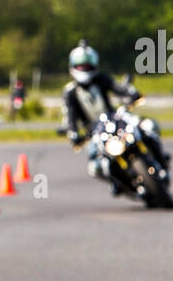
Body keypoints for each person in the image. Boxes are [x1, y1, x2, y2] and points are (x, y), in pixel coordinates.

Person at [59, 40, 141, 181]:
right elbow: (70, 115)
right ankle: (117, 182)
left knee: (146, 127)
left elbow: (118, 88)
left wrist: (131, 92)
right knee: (95, 167)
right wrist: (73, 133)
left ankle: (158, 156)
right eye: (80, 65)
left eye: (87, 64)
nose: (84, 68)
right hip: (93, 133)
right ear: (72, 66)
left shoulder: (102, 79)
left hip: (114, 120)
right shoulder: (70, 92)